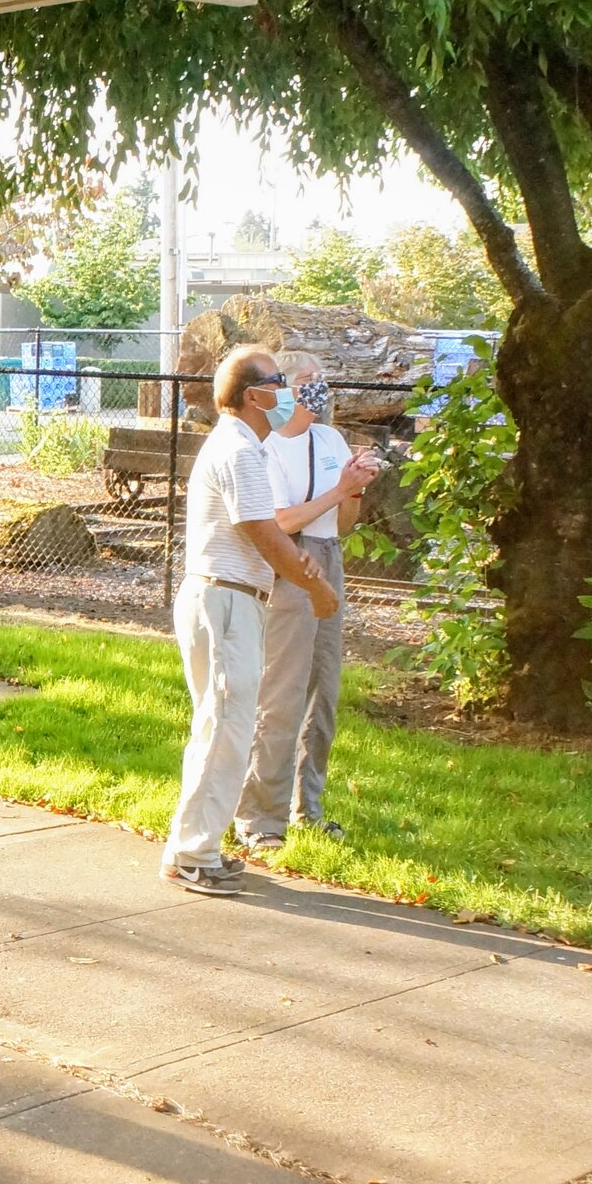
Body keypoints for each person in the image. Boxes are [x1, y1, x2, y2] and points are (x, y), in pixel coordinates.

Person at [163, 345, 340, 897]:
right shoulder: (239, 450)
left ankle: (194, 848)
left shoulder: (247, 448)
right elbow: (265, 533)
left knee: (223, 728)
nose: (288, 389)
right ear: (253, 395)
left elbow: (268, 535)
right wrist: (316, 586)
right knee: (226, 731)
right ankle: (193, 854)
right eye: (278, 380)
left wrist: (300, 564)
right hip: (225, 602)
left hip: (233, 600)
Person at [237, 351, 378, 849]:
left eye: (322, 379)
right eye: (308, 381)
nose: (318, 389)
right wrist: (339, 489)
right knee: (282, 693)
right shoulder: (266, 446)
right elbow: (280, 523)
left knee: (324, 695)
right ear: (283, 389)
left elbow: (340, 525)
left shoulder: (329, 438)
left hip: (329, 558)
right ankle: (259, 818)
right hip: (289, 561)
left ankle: (307, 809)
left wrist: (355, 491)